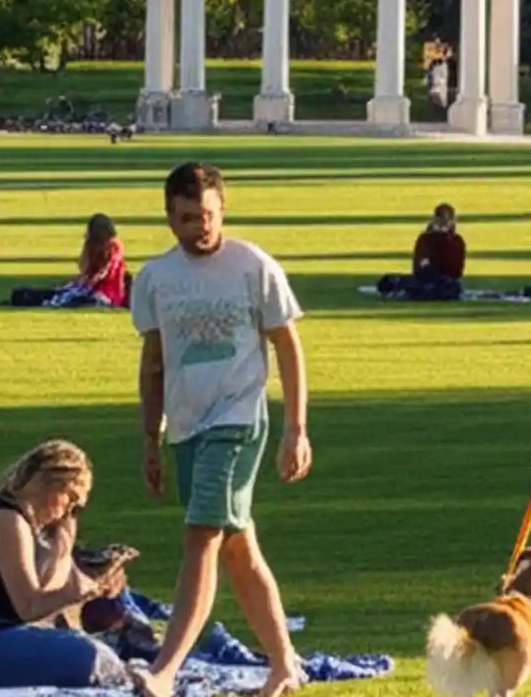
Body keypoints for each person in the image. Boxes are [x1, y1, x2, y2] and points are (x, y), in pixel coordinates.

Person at [129, 162, 312, 697]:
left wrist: (295, 429)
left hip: (237, 420)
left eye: (207, 215)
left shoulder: (253, 265)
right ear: (169, 219)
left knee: (201, 537)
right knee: (238, 548)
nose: (199, 227)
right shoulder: (156, 278)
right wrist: (150, 435)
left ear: (222, 210)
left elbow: (287, 347)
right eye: (187, 218)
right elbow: (154, 362)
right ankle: (283, 666)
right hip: (187, 427)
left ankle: (164, 670)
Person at [0, 439, 127, 688]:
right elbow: (29, 607)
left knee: (120, 615)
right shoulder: (8, 522)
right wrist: (74, 592)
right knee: (85, 656)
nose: (68, 513)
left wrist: (96, 582)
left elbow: (51, 598)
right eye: (69, 499)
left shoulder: (45, 529)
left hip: (6, 636)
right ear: (47, 484)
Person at [47, 213, 129, 308]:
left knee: (78, 300)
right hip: (92, 288)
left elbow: (104, 271)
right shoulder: (96, 246)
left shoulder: (113, 246)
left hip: (107, 293)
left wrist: (89, 281)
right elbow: (83, 267)